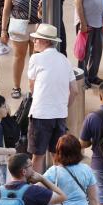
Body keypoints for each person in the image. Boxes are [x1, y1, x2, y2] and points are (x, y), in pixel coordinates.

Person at [27, 24, 77, 173]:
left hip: (41, 114)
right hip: (60, 114)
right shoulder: (65, 60)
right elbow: (74, 91)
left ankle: (36, 188)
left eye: (37, 39)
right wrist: (63, 106)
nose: (34, 41)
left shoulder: (36, 58)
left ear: (45, 41)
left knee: (38, 156)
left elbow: (32, 86)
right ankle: (58, 185)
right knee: (58, 156)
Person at [43, 135, 99, 205]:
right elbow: (93, 198)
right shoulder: (86, 169)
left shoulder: (53, 172)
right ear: (78, 151)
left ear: (59, 152)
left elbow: (38, 189)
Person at [1, 0, 42, 98]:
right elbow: (6, 10)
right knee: (19, 57)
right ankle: (16, 87)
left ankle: (34, 87)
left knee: (35, 57)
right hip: (19, 27)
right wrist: (3, 30)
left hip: (36, 26)